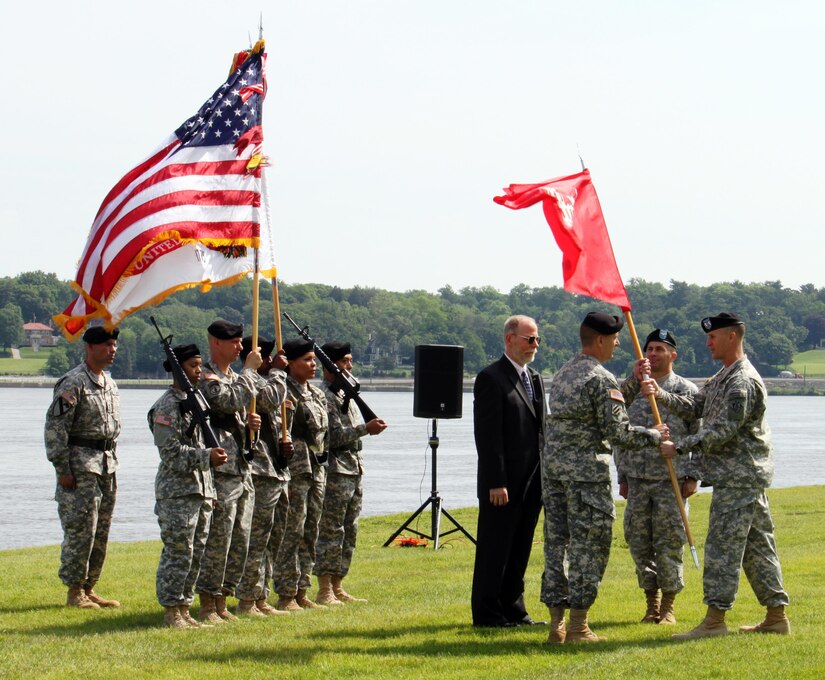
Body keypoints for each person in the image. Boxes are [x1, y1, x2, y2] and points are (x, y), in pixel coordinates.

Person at [651, 312, 791, 639]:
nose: (708, 342)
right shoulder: (723, 376)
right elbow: (694, 406)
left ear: (732, 337)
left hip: (738, 477)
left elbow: (723, 430)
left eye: (713, 337)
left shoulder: (741, 381)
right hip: (742, 477)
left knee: (722, 548)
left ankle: (714, 620)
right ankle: (776, 616)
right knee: (758, 548)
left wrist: (679, 447)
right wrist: (659, 395)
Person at [541, 312, 669, 643]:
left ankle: (556, 625)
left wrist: (629, 382)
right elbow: (618, 431)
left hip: (555, 475)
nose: (616, 343)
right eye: (614, 339)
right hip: (586, 478)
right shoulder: (600, 378)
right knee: (589, 548)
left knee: (558, 546)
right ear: (600, 339)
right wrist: (655, 435)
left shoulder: (564, 374)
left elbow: (597, 410)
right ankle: (579, 626)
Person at [616, 329, 700, 625]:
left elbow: (697, 435)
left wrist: (692, 475)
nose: (652, 354)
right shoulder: (633, 389)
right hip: (638, 480)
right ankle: (650, 604)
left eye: (659, 349)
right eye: (649, 349)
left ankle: (668, 607)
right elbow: (620, 435)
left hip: (671, 480)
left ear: (672, 355)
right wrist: (621, 475)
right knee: (639, 543)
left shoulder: (686, 390)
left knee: (669, 543)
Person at [471, 315, 546, 628]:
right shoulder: (491, 378)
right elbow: (489, 438)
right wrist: (496, 481)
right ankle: (488, 613)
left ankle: (514, 609)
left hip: (532, 483)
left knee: (519, 550)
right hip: (502, 485)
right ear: (510, 339)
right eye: (530, 339)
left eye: (537, 340)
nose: (535, 346)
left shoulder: (535, 378)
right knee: (495, 550)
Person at [148, 343, 228, 628]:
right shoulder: (167, 405)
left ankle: (185, 607)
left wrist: (211, 488)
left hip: (201, 489)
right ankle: (172, 609)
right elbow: (169, 452)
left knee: (196, 551)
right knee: (179, 550)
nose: (199, 371)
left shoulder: (197, 401)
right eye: (193, 366)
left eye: (199, 365)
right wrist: (207, 457)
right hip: (177, 491)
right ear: (178, 369)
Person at [44, 325, 122, 610]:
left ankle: (89, 587)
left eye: (113, 345)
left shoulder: (109, 383)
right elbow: (55, 429)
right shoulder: (73, 382)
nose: (112, 350)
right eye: (106, 345)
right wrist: (62, 468)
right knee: (81, 530)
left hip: (107, 465)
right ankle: (74, 590)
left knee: (101, 530)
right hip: (80, 466)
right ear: (89, 347)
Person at [195, 319, 265, 623]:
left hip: (242, 466)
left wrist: (252, 428)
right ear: (216, 343)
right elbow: (226, 401)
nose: (240, 347)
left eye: (240, 341)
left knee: (240, 539)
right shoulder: (206, 377)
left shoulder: (236, 376)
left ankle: (223, 598)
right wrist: (250, 370)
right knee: (219, 539)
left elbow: (247, 405)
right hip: (221, 471)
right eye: (234, 342)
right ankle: (208, 601)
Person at [314, 341, 388, 605]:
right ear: (331, 365)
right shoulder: (324, 396)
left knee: (349, 529)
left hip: (354, 468)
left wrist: (364, 429)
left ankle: (338, 584)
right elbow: (329, 437)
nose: (350, 366)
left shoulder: (348, 396)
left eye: (350, 360)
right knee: (331, 529)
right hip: (335, 471)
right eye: (344, 361)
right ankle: (324, 589)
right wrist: (365, 429)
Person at [235, 336, 293, 618]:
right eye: (265, 357)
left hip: (276, 469)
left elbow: (279, 419)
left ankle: (262, 596)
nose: (270, 362)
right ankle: (247, 598)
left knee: (273, 538)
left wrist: (286, 441)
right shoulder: (251, 382)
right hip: (259, 471)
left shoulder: (267, 379)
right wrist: (279, 372)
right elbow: (270, 399)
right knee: (256, 539)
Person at [272, 338, 330, 611]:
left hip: (316, 467)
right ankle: (285, 593)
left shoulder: (317, 394)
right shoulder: (284, 392)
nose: (313, 364)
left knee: (311, 531)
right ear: (291, 363)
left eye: (313, 360)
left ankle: (302, 590)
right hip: (296, 469)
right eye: (307, 360)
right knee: (291, 532)